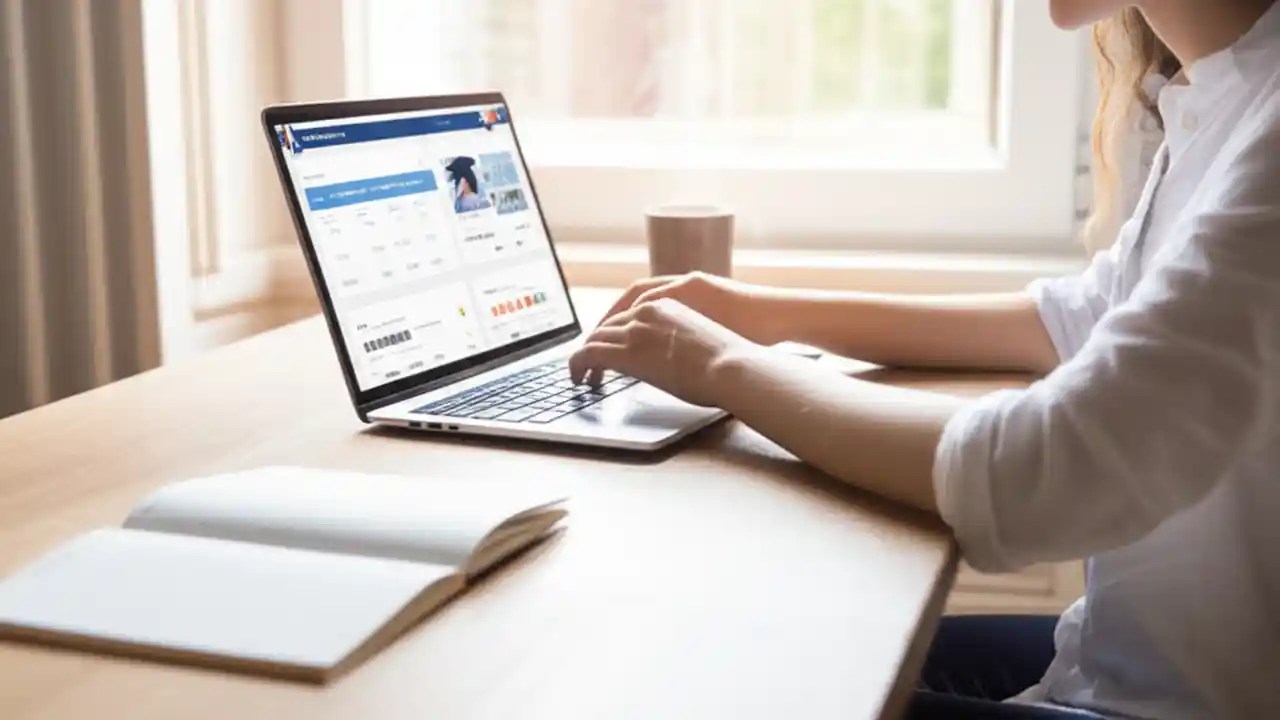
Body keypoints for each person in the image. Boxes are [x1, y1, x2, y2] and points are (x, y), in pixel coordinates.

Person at [568, 1, 1280, 717]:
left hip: (1172, 704)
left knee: (711, 684)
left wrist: (724, 366)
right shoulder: (1227, 92)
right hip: (1125, 664)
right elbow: (1082, 316)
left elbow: (1045, 469)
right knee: (780, 649)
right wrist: (763, 312)